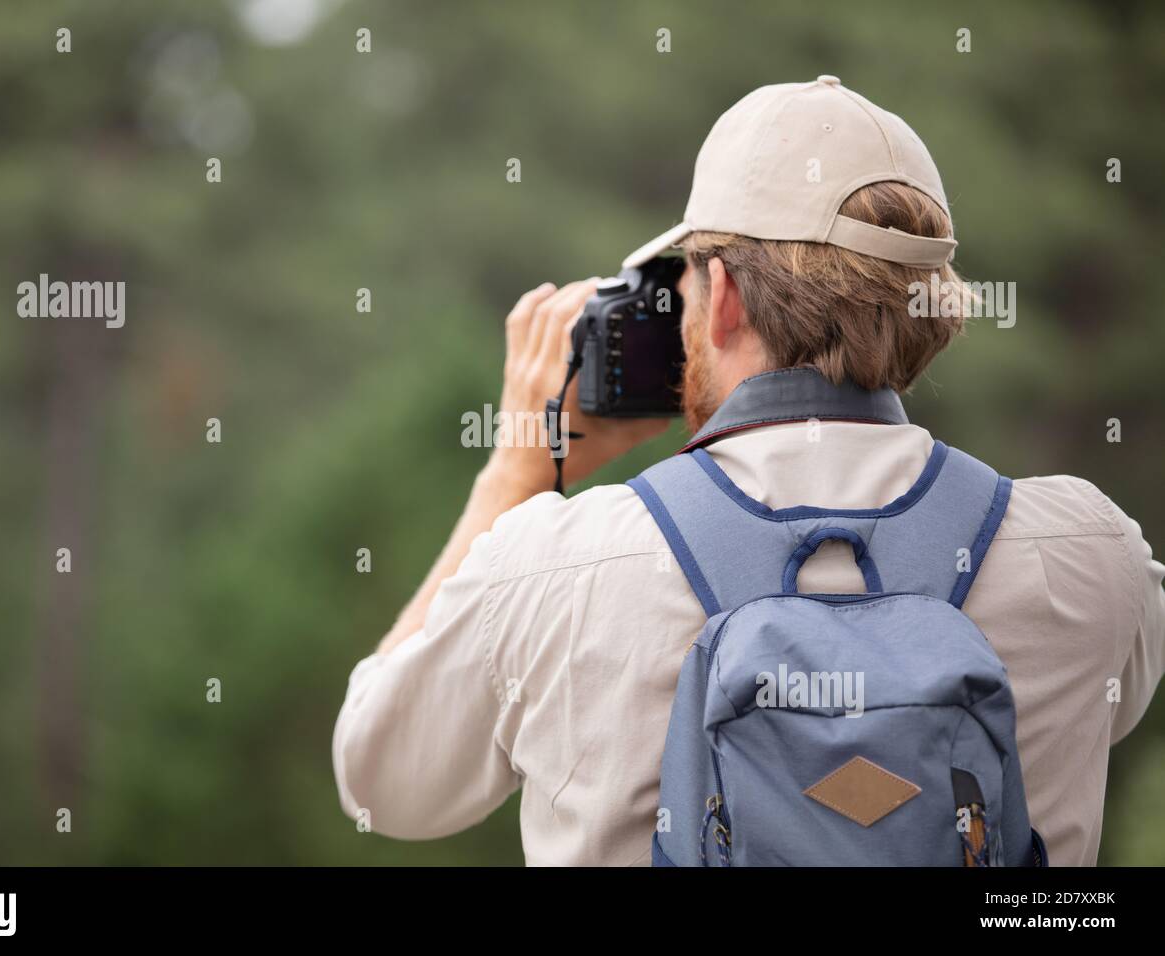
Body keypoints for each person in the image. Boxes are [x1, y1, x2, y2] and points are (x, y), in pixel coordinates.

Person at [331, 76, 1165, 865]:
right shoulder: (1093, 558)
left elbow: (378, 778)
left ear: (723, 295)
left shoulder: (555, 564)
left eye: (685, 284)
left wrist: (516, 476)